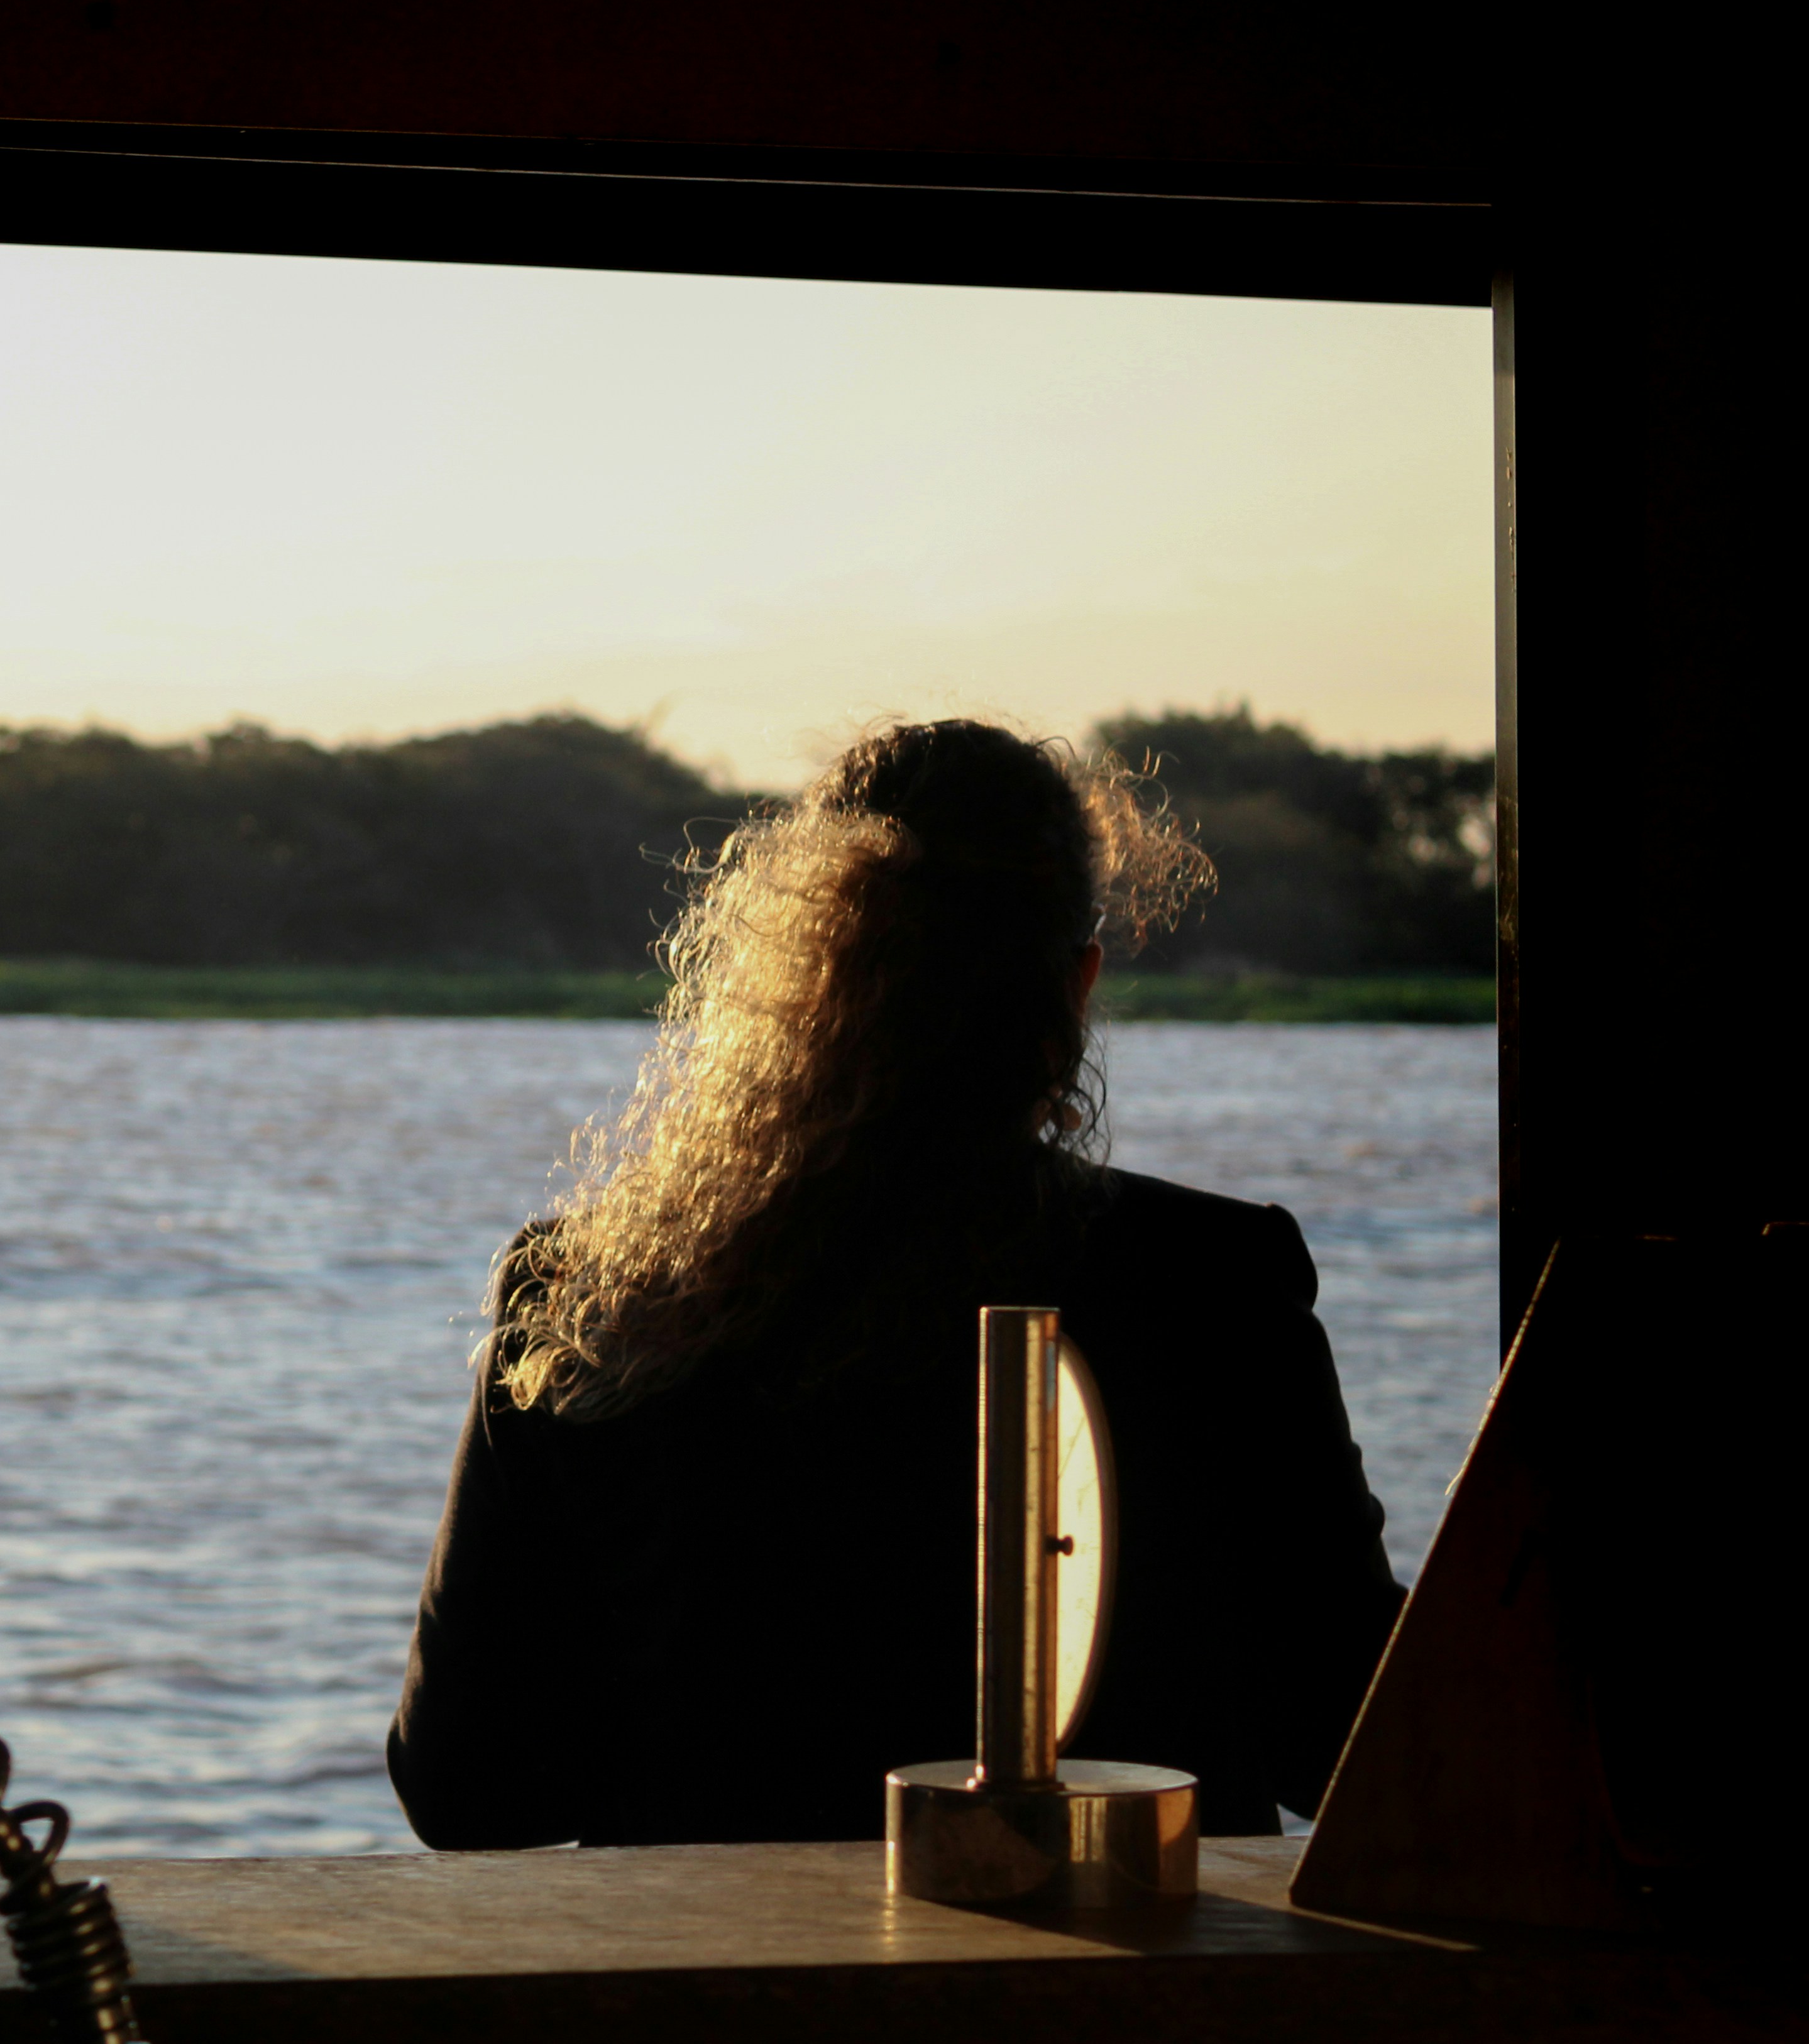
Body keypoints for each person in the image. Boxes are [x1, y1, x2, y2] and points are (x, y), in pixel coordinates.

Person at [384, 719, 1402, 1848]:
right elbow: (1356, 1743)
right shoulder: (1213, 1282)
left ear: (790, 972)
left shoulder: (590, 1290)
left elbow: (465, 1787)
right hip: (1133, 1995)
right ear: (1077, 985)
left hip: (721, 1996)